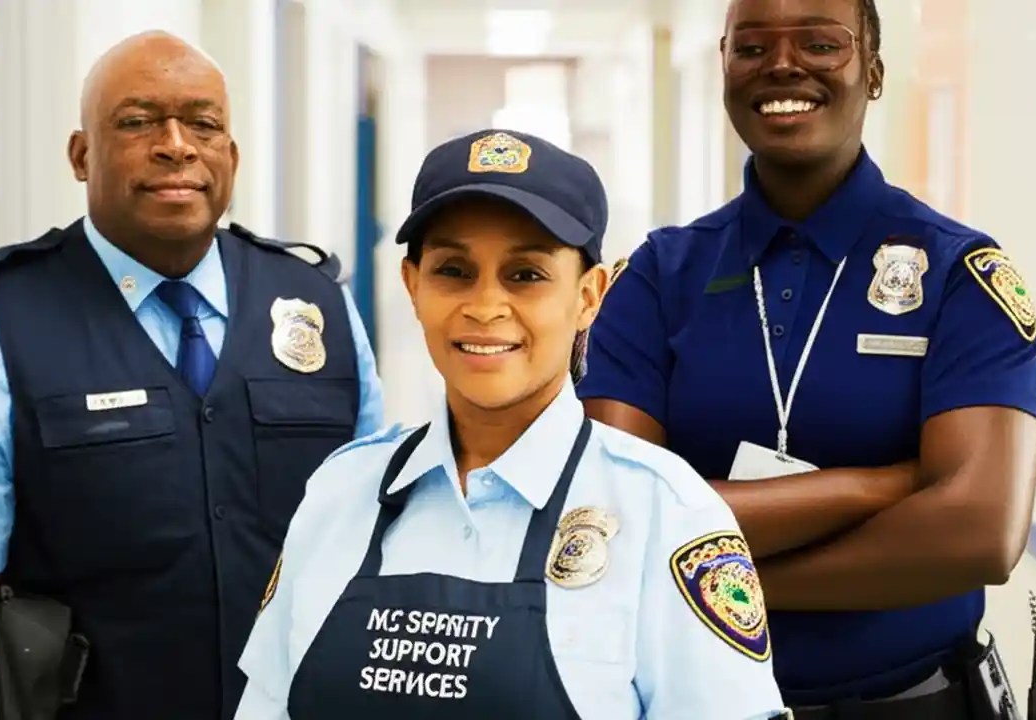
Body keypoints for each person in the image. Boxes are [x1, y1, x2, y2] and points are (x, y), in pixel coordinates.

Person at [0, 31, 383, 720]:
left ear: (229, 157)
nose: (176, 144)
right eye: (138, 121)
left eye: (203, 124)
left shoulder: (319, 311)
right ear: (82, 156)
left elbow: (373, 551)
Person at [576, 0, 1036, 717]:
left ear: (874, 70)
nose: (784, 65)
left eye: (822, 43)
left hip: (911, 703)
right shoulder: (660, 276)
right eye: (753, 46)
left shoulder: (958, 273)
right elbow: (621, 515)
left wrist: (713, 575)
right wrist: (878, 487)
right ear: (726, 66)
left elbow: (981, 533)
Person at [233, 129, 790, 720]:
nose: (485, 306)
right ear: (412, 286)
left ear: (588, 296)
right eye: (453, 270)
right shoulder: (341, 494)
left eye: (525, 275)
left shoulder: (666, 512)